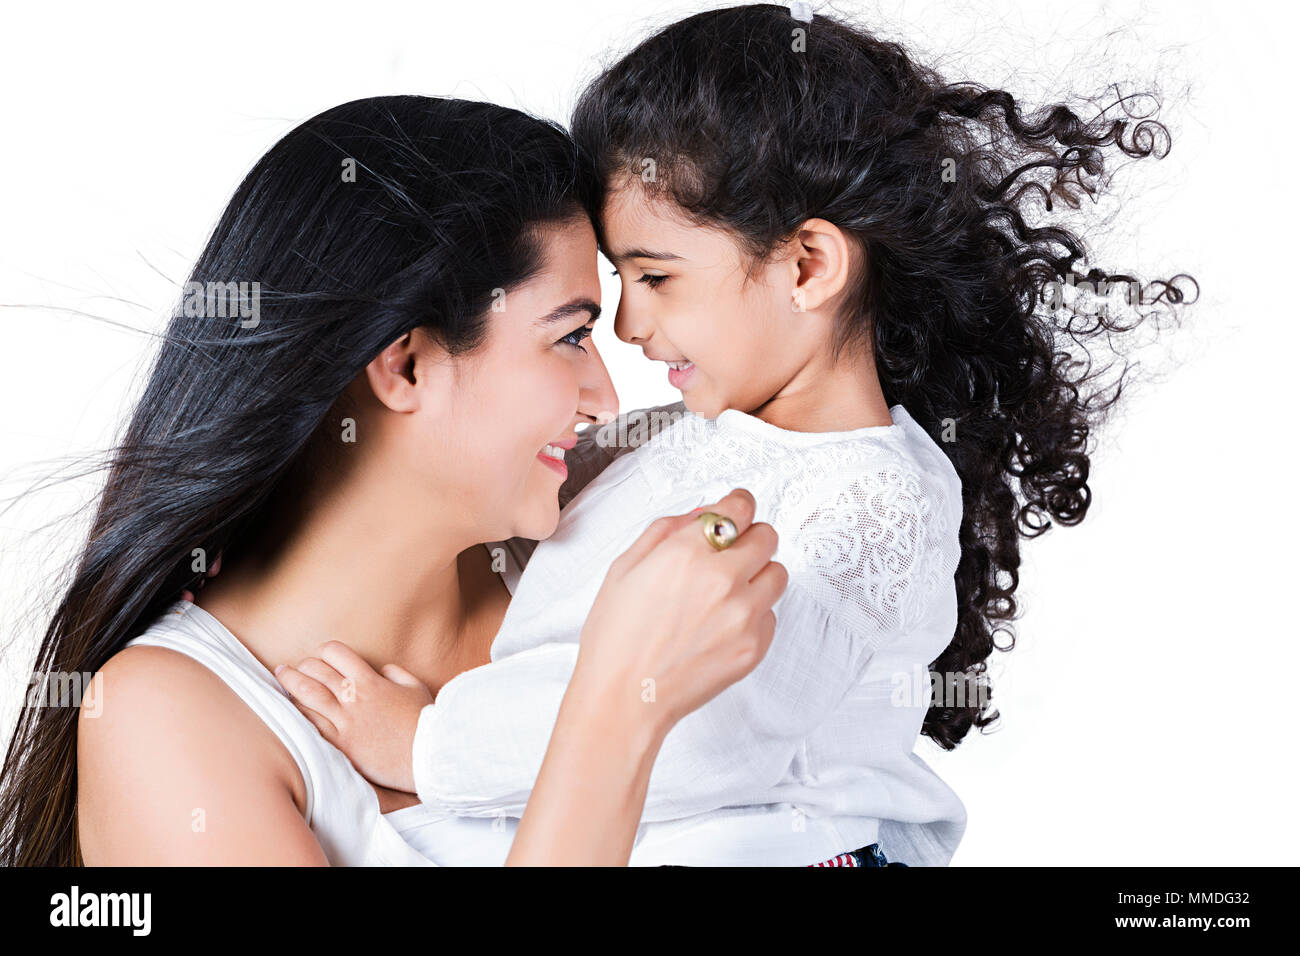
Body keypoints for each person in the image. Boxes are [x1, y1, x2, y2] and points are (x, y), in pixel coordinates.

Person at [277, 4, 1194, 866]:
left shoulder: (874, 498)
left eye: (657, 277)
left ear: (806, 266)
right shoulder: (665, 439)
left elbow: (711, 736)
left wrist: (427, 743)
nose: (628, 327)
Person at [0, 95, 786, 866]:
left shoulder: (598, 541)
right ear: (405, 364)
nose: (606, 400)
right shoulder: (168, 719)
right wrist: (615, 711)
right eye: (571, 336)